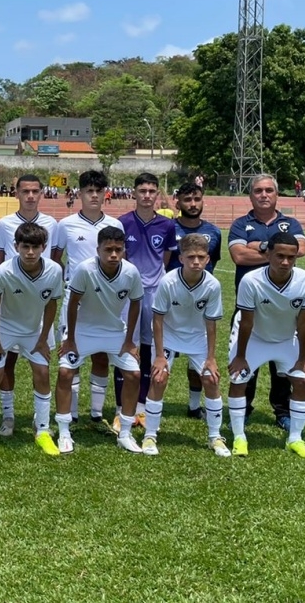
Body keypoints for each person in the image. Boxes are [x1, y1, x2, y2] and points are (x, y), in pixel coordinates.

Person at [226, 231, 305, 458]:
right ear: (268, 254)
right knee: (238, 380)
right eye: (279, 256)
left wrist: (302, 359)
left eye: (291, 257)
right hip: (254, 337)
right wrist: (240, 356)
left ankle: (295, 439)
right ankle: (239, 437)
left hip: (287, 339)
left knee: (303, 382)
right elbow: (246, 321)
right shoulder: (251, 281)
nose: (285, 262)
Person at [227, 173, 305, 428]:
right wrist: (274, 252)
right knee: (245, 361)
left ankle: (282, 411)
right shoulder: (240, 224)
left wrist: (259, 247)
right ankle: (244, 408)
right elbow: (238, 257)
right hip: (249, 306)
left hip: (285, 309)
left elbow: (301, 250)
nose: (264, 195)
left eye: (269, 190)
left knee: (282, 366)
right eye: (258, 190)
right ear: (251, 195)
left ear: (276, 194)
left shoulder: (291, 223)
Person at [0, 222, 63, 456]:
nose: (30, 252)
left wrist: (44, 339)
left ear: (44, 247)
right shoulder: (3, 271)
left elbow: (52, 304)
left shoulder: (54, 270)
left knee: (43, 373)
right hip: (4, 327)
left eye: (35, 247)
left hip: (34, 330)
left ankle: (43, 430)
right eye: (25, 247)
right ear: (16, 246)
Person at [54, 226, 143, 454]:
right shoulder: (85, 269)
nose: (113, 254)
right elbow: (72, 303)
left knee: (133, 374)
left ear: (124, 250)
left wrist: (130, 340)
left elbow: (136, 304)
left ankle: (124, 432)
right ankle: (64, 431)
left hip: (115, 332)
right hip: (83, 331)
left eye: (118, 250)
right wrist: (70, 338)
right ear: (98, 250)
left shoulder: (131, 272)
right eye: (108, 250)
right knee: (65, 373)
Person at [0, 174, 61, 438]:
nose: (30, 196)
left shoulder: (52, 223)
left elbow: (54, 261)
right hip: (10, 305)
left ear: (42, 193)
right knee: (5, 364)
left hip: (36, 310)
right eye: (25, 191)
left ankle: (40, 422)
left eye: (35, 191)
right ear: (16, 193)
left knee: (41, 368)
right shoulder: (3, 224)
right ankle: (8, 416)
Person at [145, 234, 229, 457]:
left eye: (201, 257)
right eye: (191, 257)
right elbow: (158, 319)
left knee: (211, 379)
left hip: (197, 337)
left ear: (208, 259)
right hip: (169, 334)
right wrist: (160, 355)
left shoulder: (212, 284)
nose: (196, 262)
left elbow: (211, 324)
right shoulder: (168, 282)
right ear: (181, 258)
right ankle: (150, 435)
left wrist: (211, 358)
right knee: (159, 377)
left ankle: (215, 437)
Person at [51, 170, 122, 426]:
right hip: (76, 298)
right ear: (79, 194)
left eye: (98, 191)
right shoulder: (66, 225)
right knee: (72, 351)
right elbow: (55, 260)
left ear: (105, 194)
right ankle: (71, 412)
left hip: (107, 301)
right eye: (89, 191)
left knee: (101, 355)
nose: (94, 195)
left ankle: (95, 412)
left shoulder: (115, 226)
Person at [117, 173, 178, 430]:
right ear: (134, 193)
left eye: (152, 191)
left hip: (154, 293)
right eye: (142, 190)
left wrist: (152, 281)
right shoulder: (122, 223)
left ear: (157, 194)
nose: (147, 195)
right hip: (128, 293)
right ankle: (121, 410)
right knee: (125, 347)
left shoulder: (166, 225)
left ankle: (140, 408)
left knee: (148, 349)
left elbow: (164, 259)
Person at [168, 181, 223, 418]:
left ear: (203, 201)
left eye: (196, 199)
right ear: (177, 202)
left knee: (197, 360)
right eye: (187, 199)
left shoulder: (214, 232)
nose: (192, 204)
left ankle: (193, 406)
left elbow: (213, 265)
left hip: (199, 302)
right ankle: (147, 406)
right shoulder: (168, 228)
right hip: (172, 303)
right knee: (162, 358)